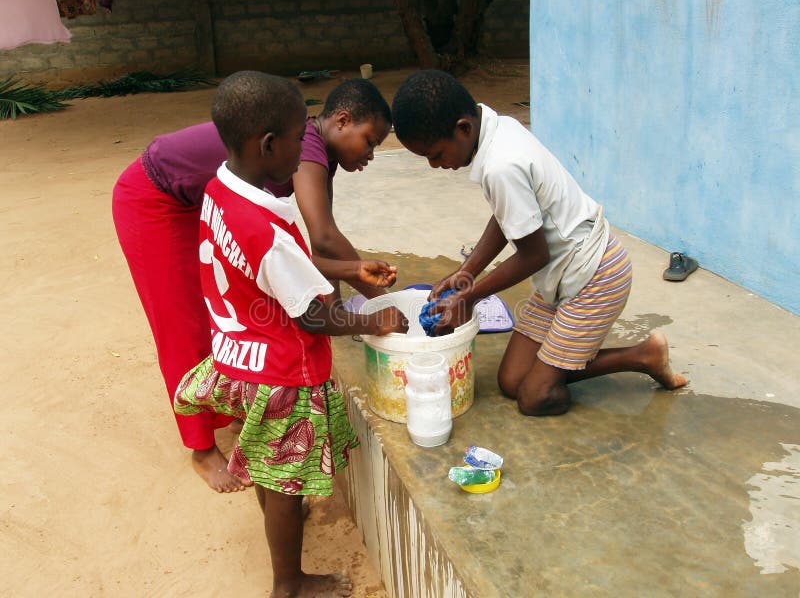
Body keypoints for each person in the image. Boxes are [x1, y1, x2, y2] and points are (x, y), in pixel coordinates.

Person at [174, 71, 408, 598]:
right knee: (285, 481)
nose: (306, 144)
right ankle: (289, 583)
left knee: (265, 462)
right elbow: (312, 315)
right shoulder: (268, 231)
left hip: (239, 355)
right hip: (281, 374)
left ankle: (281, 520)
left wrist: (346, 271)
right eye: (299, 132)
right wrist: (373, 321)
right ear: (268, 145)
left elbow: (271, 269)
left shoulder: (218, 190)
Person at [112, 78, 392, 492]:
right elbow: (325, 238)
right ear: (342, 121)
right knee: (184, 324)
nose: (370, 154)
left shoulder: (309, 146)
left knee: (233, 311)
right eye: (369, 141)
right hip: (154, 198)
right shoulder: (304, 144)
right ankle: (201, 449)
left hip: (200, 197)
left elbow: (301, 249)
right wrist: (384, 306)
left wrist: (338, 290)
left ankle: (234, 400)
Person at [391, 70, 687, 417]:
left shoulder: (500, 165)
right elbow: (510, 217)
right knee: (512, 381)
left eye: (436, 154)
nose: (435, 165)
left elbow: (533, 254)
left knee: (535, 396)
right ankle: (564, 363)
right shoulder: (498, 128)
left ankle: (642, 356)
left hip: (595, 276)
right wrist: (466, 272)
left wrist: (470, 296)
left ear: (463, 129)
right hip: (561, 276)